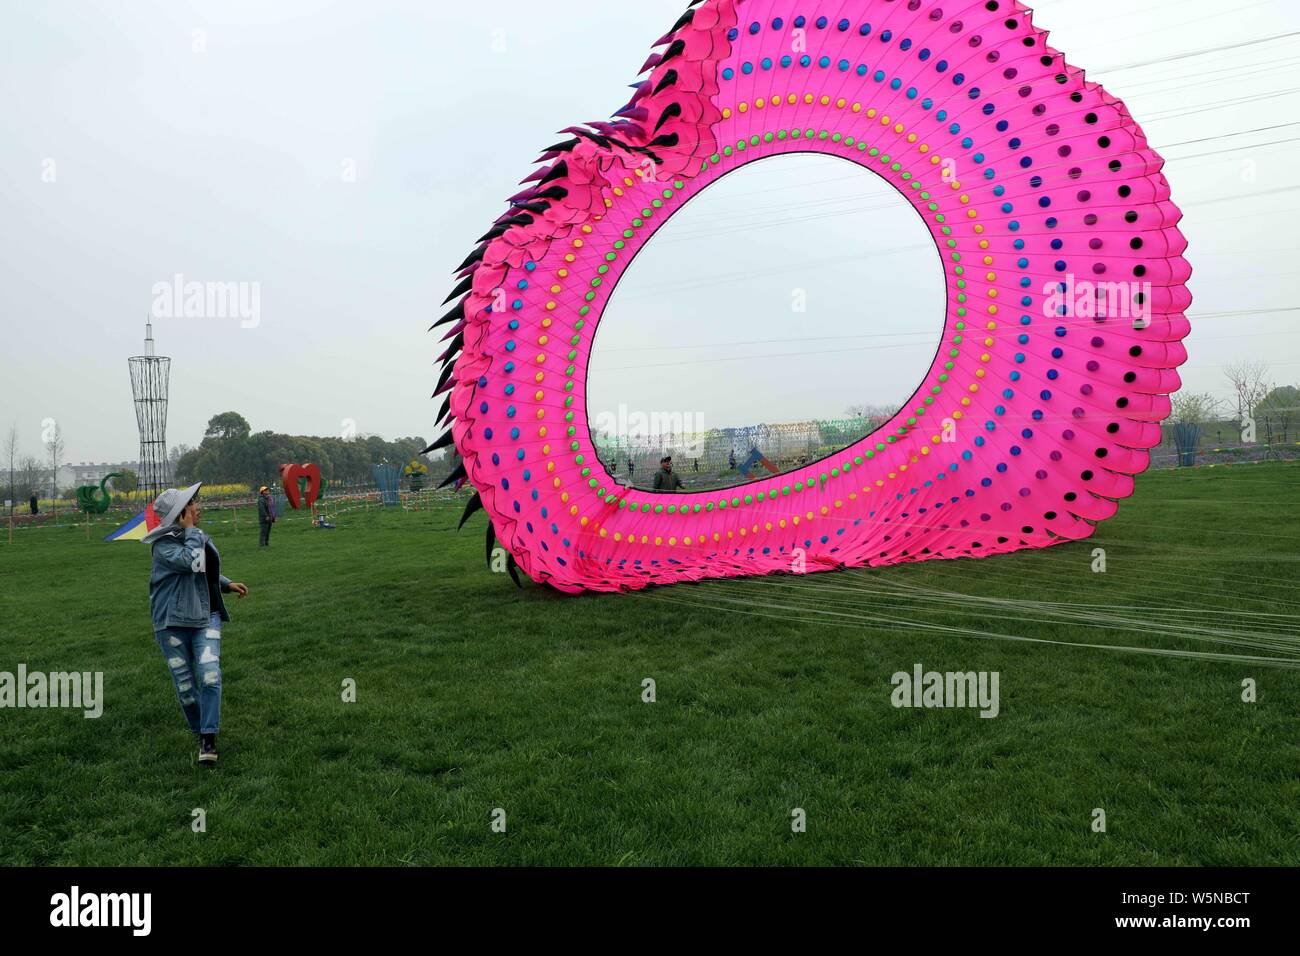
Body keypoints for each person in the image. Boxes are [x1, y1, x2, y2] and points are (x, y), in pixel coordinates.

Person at [143, 483, 247, 765]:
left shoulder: (195, 536)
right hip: (171, 623)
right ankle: (200, 729)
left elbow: (203, 570)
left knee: (210, 675)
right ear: (181, 513)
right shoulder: (163, 546)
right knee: (186, 686)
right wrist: (191, 532)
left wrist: (225, 583)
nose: (198, 506)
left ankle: (209, 738)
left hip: (205, 615)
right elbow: (189, 561)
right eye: (193, 503)